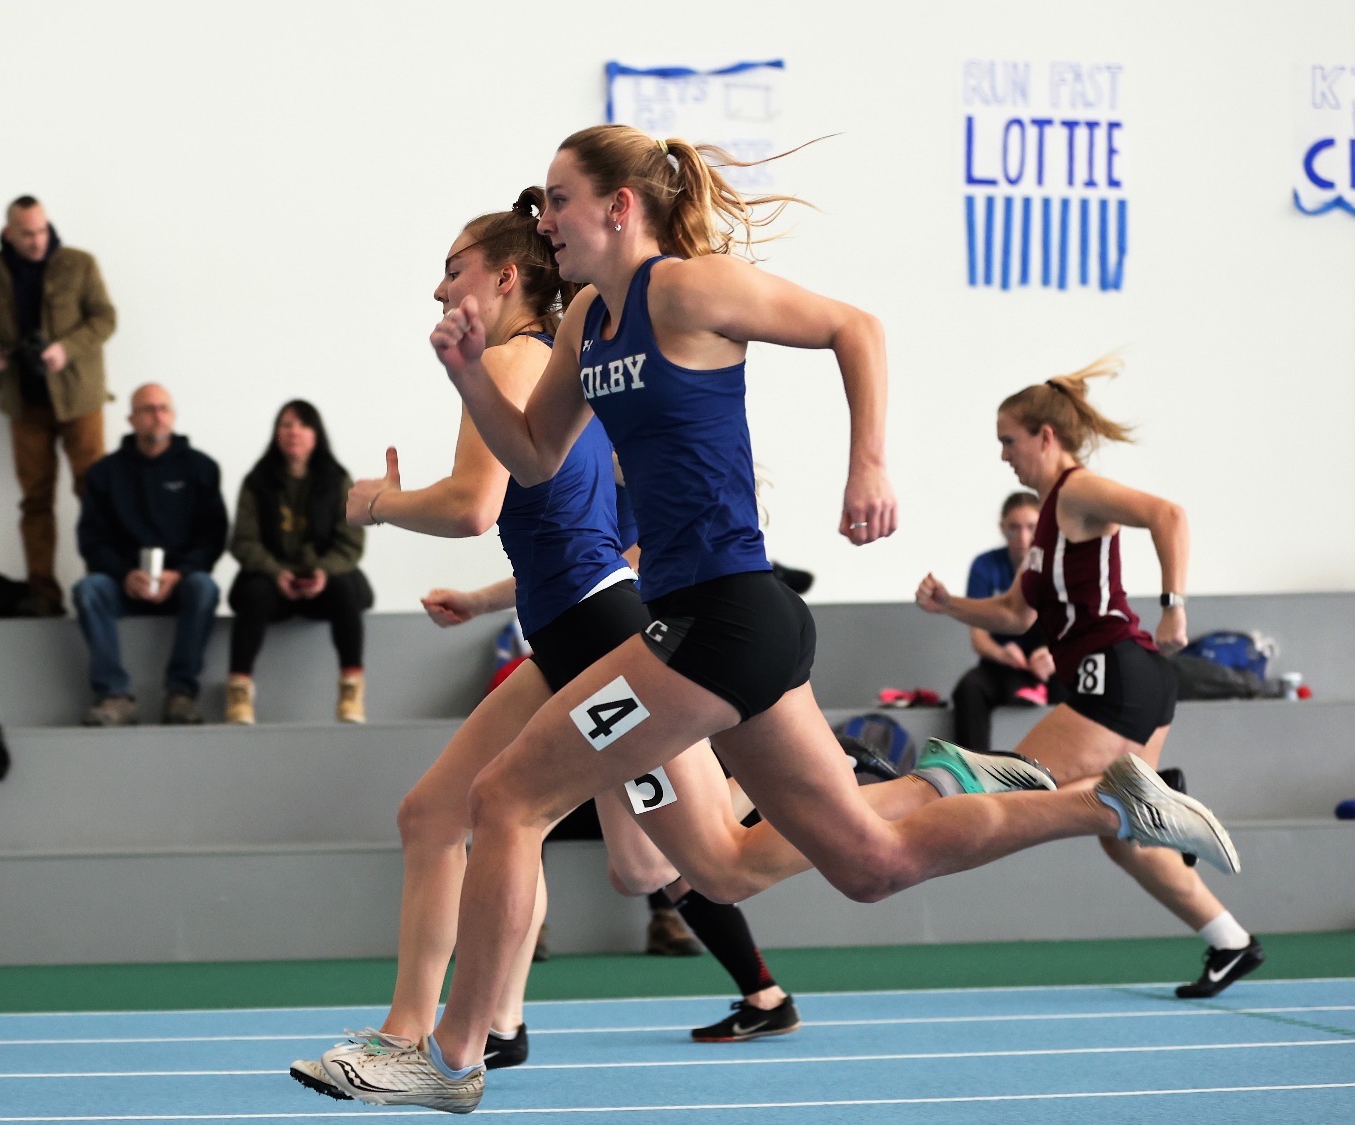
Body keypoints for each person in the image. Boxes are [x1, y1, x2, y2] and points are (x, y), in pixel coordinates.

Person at [322, 126, 1237, 1112]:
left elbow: (856, 329)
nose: (542, 221)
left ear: (618, 207)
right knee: (829, 865)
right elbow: (535, 456)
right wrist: (466, 377)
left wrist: (869, 463)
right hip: (708, 627)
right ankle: (1097, 799)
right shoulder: (588, 320)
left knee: (505, 800)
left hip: (716, 622)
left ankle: (451, 1057)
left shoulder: (684, 289)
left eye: (557, 200)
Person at [293, 194, 803, 1105]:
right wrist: (491, 595)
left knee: (706, 861)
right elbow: (561, 521)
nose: (438, 284)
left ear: (505, 275)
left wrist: (373, 502)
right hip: (568, 632)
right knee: (439, 814)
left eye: (453, 266)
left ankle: (881, 781)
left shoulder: (515, 356)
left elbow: (472, 506)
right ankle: (424, 1031)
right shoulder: (555, 365)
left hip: (605, 635)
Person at [916, 357, 1261, 998]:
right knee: (1127, 838)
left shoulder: (1076, 490)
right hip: (1126, 682)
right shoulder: (1048, 516)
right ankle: (1230, 940)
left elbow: (1170, 515)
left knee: (1006, 788)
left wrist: (1175, 605)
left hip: (1119, 675)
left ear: (1045, 437)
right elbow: (1016, 612)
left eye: (1007, 441)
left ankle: (1155, 796)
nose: (1002, 456)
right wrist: (949, 606)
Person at [0, 195, 117, 616]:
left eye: (42, 230)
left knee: (95, 494)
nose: (36, 241)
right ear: (8, 232)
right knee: (35, 501)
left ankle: (105, 585)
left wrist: (67, 349)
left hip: (79, 400)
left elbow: (105, 318)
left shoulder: (79, 264)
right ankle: (44, 593)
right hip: (24, 403)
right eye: (27, 233)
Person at [73, 383, 227, 726]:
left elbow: (213, 536)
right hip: (124, 584)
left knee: (204, 588)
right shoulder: (104, 473)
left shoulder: (200, 468)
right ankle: (113, 695)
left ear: (172, 416)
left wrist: (181, 573)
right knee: (88, 590)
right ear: (131, 418)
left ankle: (180, 694)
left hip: (179, 584)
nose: (156, 416)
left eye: (163, 409)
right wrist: (125, 574)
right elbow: (91, 540)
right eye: (147, 409)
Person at [226, 400, 372, 724]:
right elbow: (243, 541)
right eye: (286, 424)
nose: (293, 432)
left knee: (346, 586)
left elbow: (350, 543)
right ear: (276, 434)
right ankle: (239, 691)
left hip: (322, 586)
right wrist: (276, 573)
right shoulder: (257, 481)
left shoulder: (337, 481)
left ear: (316, 435)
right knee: (253, 591)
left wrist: (322, 572)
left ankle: (351, 689)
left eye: (302, 425)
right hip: (273, 587)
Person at [950, 491, 1066, 750]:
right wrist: (1002, 654)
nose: (1023, 538)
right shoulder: (984, 566)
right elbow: (978, 636)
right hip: (1001, 666)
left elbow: (1072, 628)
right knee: (968, 689)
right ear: (1002, 528)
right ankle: (973, 774)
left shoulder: (1059, 566)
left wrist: (1053, 656)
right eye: (1014, 528)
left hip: (1050, 665)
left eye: (1031, 528)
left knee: (1076, 689)